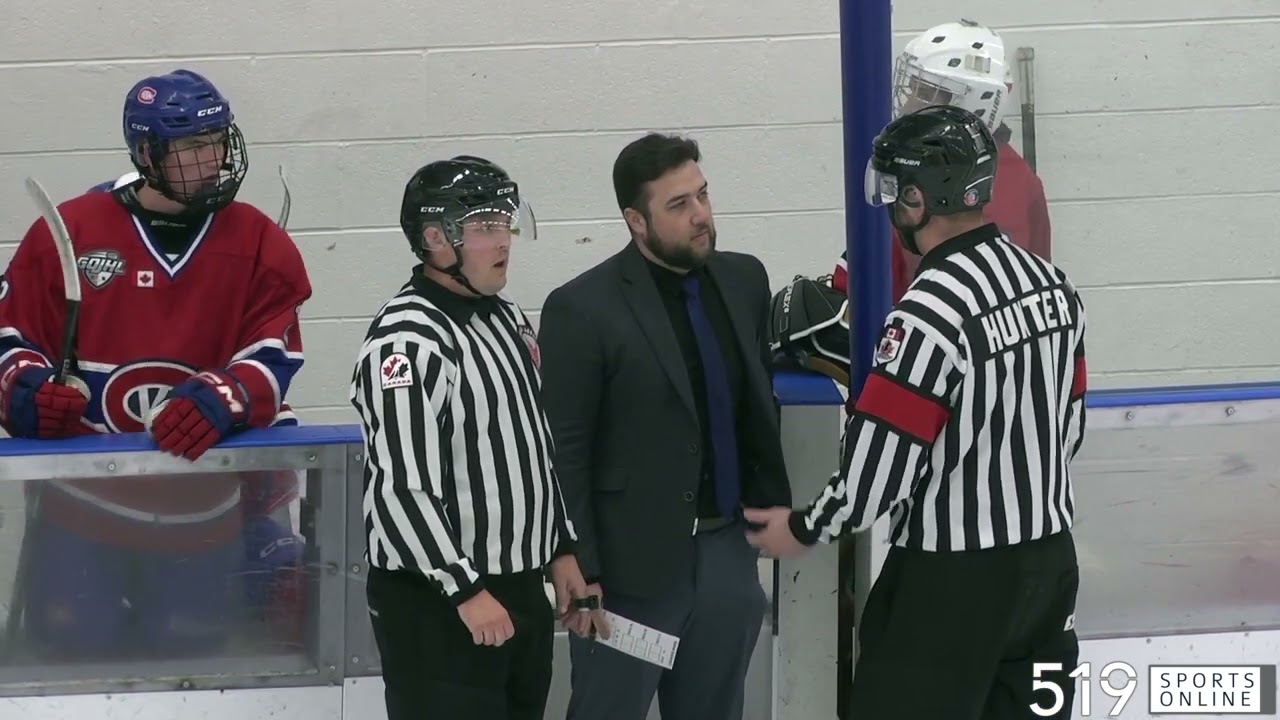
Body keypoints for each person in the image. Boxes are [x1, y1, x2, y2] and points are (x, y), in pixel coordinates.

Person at [744, 105, 1088, 720]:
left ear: (915, 199)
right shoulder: (1054, 286)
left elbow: (877, 473)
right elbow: (1070, 425)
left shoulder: (926, 313)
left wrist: (801, 528)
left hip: (952, 580)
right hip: (1052, 563)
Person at [0, 69, 311, 661]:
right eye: (193, 145)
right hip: (78, 519)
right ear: (147, 152)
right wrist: (27, 391)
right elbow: (10, 336)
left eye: (217, 140)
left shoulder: (258, 243)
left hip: (204, 523)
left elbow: (274, 354)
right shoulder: (71, 231)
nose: (213, 157)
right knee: (69, 662)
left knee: (190, 666)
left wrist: (226, 395)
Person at [538, 132, 792, 720]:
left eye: (702, 195)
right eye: (679, 205)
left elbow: (756, 405)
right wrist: (571, 557)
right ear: (636, 220)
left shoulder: (745, 279)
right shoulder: (582, 307)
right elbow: (565, 448)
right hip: (627, 573)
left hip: (728, 553)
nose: (701, 215)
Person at [348, 155, 593, 720]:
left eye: (505, 223)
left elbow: (533, 446)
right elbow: (400, 490)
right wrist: (464, 589)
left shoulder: (507, 321)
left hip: (516, 587)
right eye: (485, 227)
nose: (503, 240)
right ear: (436, 238)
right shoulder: (406, 342)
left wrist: (559, 546)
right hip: (439, 604)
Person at [831, 18, 1050, 303]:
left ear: (974, 102)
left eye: (925, 92)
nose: (909, 104)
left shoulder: (1013, 186)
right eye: (913, 87)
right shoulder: (1020, 179)